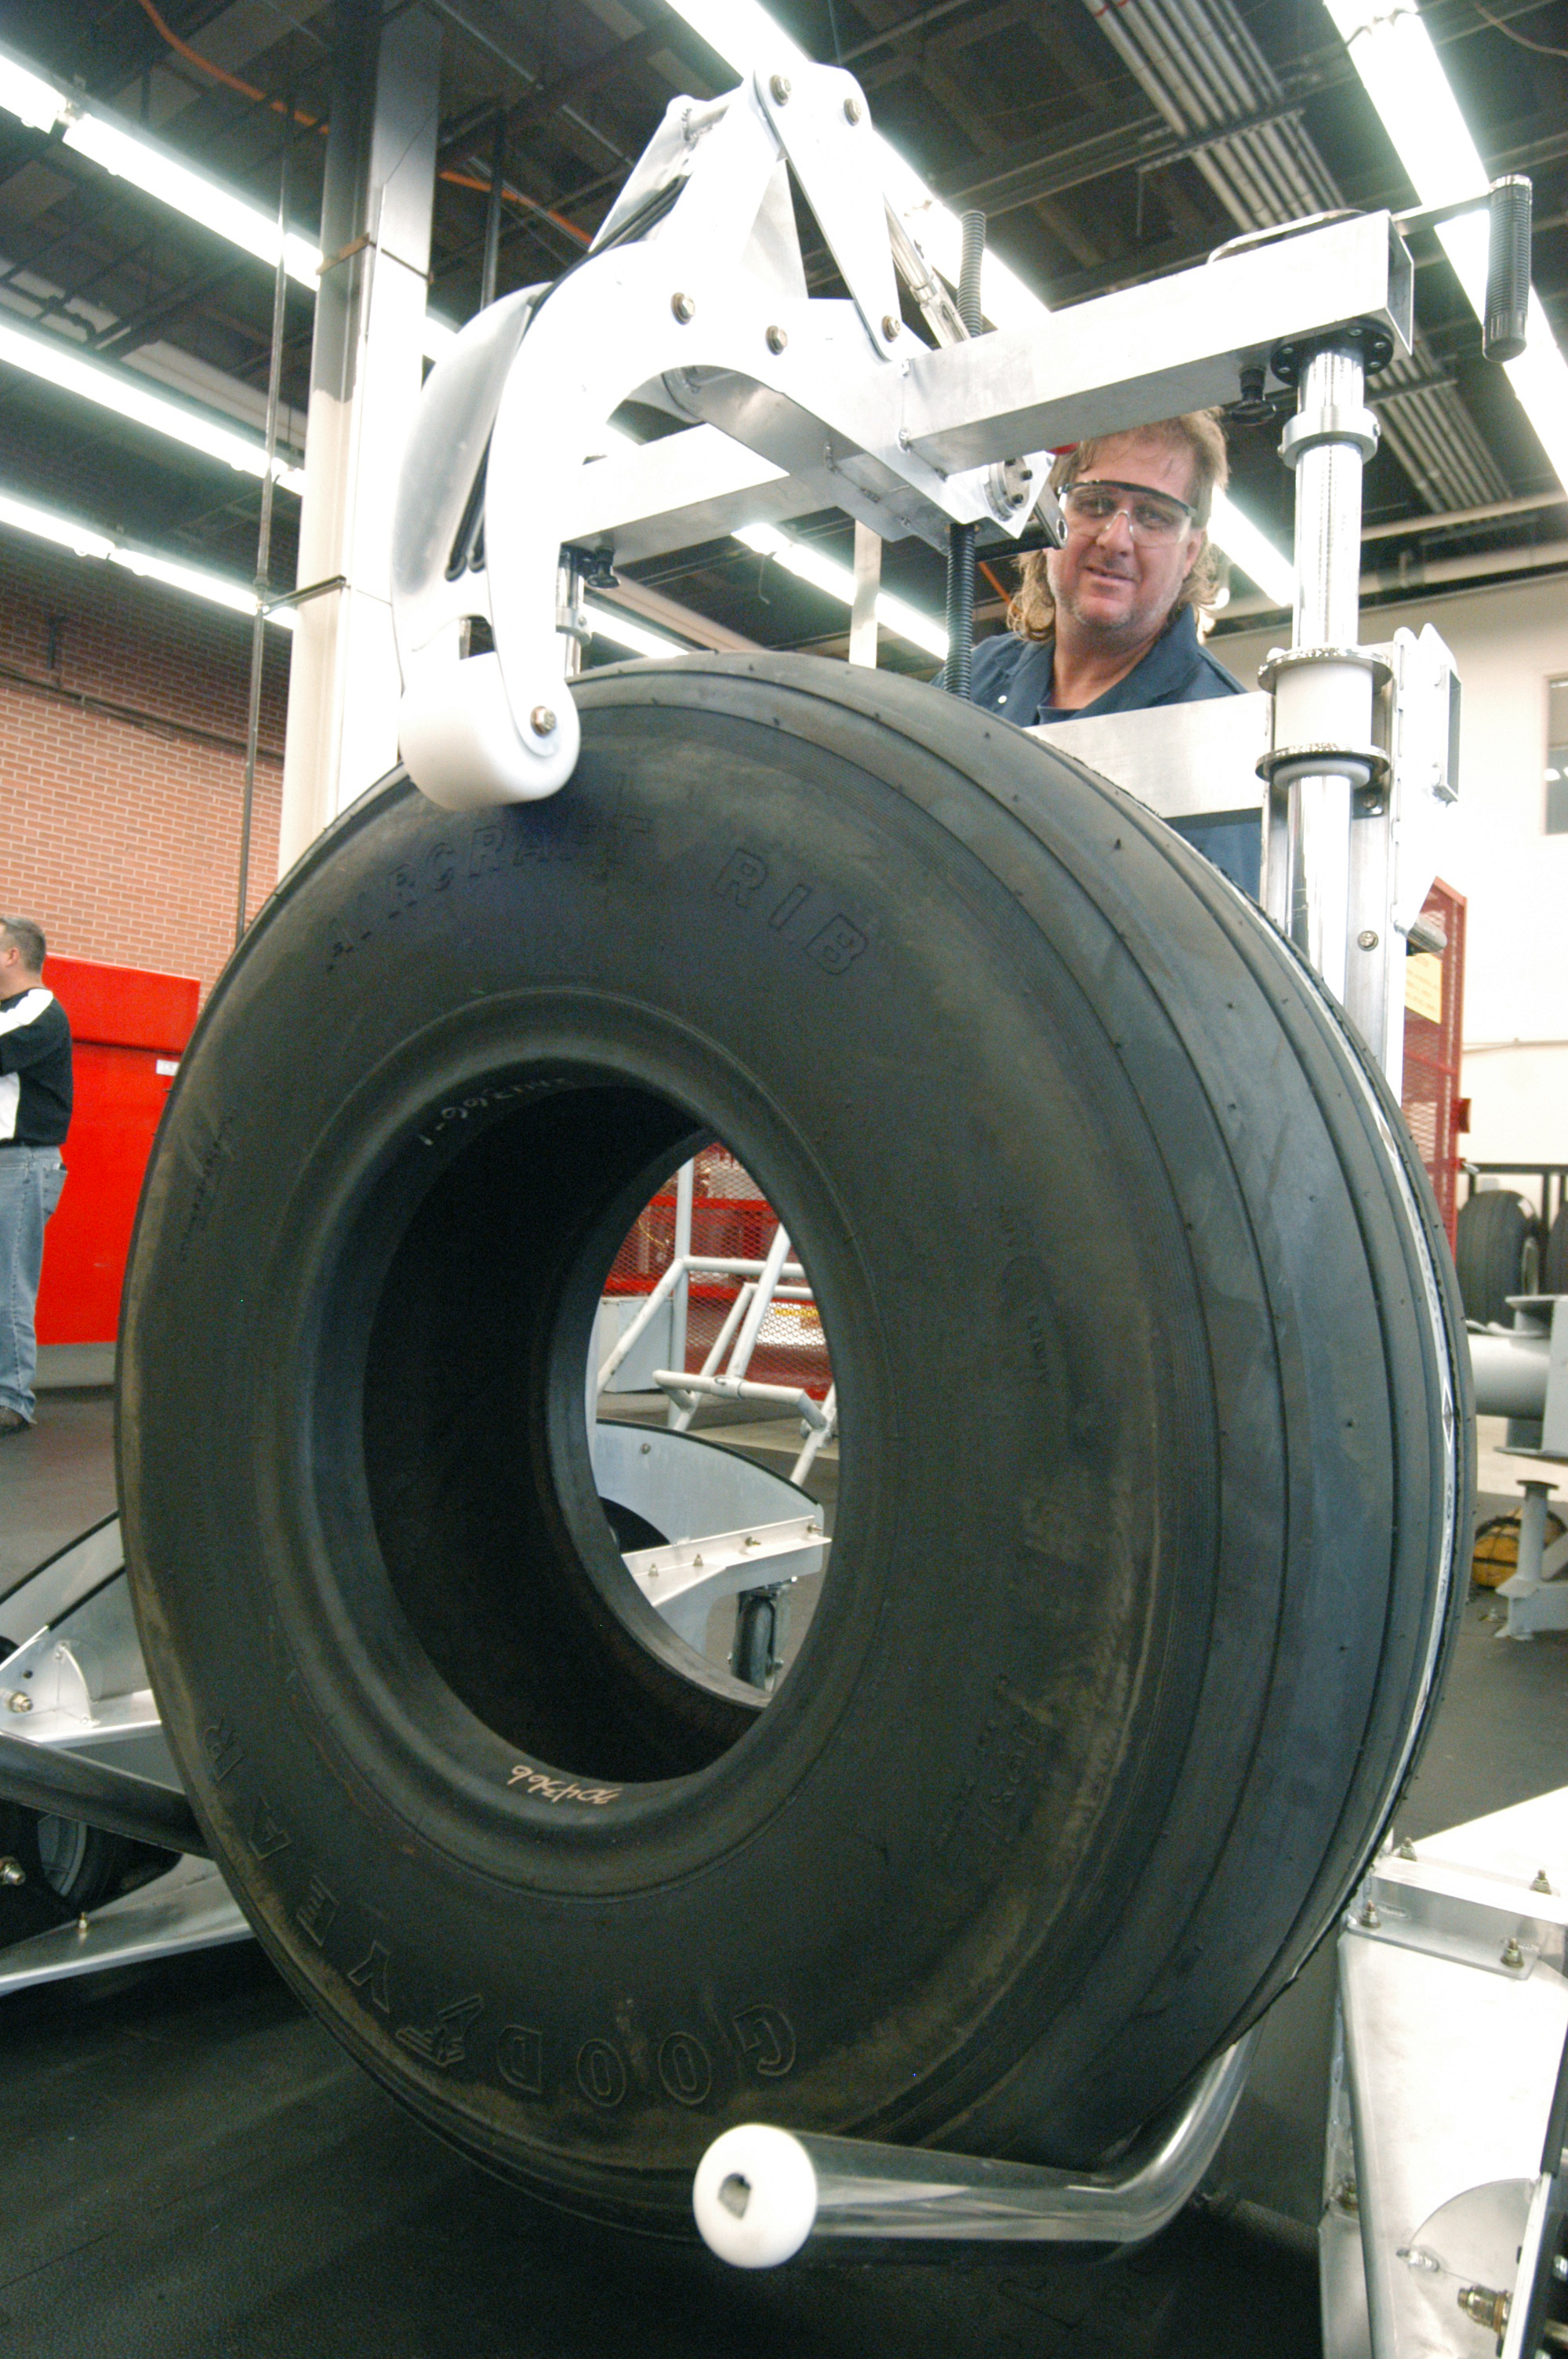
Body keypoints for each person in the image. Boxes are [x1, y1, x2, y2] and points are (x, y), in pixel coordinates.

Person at [969, 410, 1243, 726]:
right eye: (1096, 503)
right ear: (1047, 519)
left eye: (1153, 516)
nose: (1115, 541)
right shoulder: (974, 678)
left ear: (1190, 552)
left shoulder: (1223, 724)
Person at [0, 918, 72, 1436]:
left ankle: (12, 1400)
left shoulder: (39, 1009)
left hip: (20, 1165)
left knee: (9, 1286)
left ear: (11, 956)